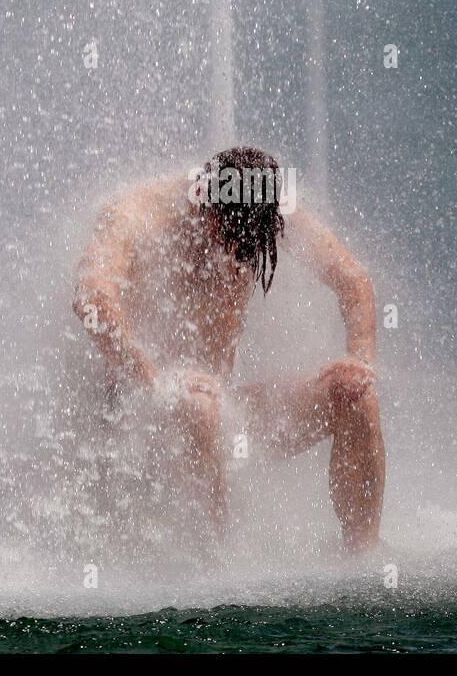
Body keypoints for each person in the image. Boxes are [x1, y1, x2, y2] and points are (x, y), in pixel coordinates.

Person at [72, 146, 384, 552]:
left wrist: (358, 360)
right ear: (205, 202)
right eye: (229, 233)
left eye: (250, 243)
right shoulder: (139, 214)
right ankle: (218, 577)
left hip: (219, 415)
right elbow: (91, 297)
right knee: (196, 408)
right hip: (132, 423)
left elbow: (352, 279)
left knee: (356, 396)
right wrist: (156, 383)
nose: (235, 251)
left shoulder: (263, 208)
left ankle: (363, 565)